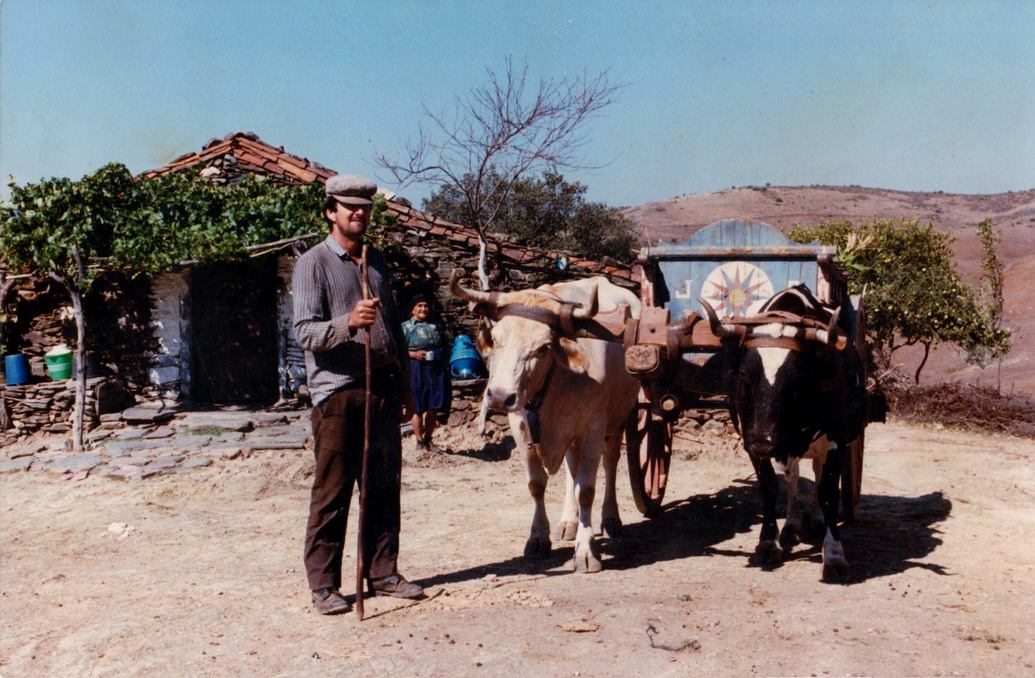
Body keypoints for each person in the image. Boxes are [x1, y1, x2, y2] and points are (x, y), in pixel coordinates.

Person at [293, 174, 424, 615]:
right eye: (349, 207)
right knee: (333, 492)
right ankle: (324, 585)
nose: (358, 214)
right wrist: (348, 322)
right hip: (338, 394)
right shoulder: (313, 263)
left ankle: (383, 572)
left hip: (383, 387)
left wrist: (405, 382)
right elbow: (304, 332)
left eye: (364, 207)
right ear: (330, 212)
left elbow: (394, 332)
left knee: (383, 488)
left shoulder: (377, 260)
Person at [401, 295, 452, 452]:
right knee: (418, 404)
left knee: (433, 405)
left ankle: (429, 440)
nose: (423, 309)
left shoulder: (435, 326)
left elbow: (446, 343)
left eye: (426, 306)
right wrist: (413, 354)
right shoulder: (406, 327)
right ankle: (419, 441)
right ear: (412, 309)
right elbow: (399, 350)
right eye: (419, 306)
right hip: (416, 367)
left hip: (435, 368)